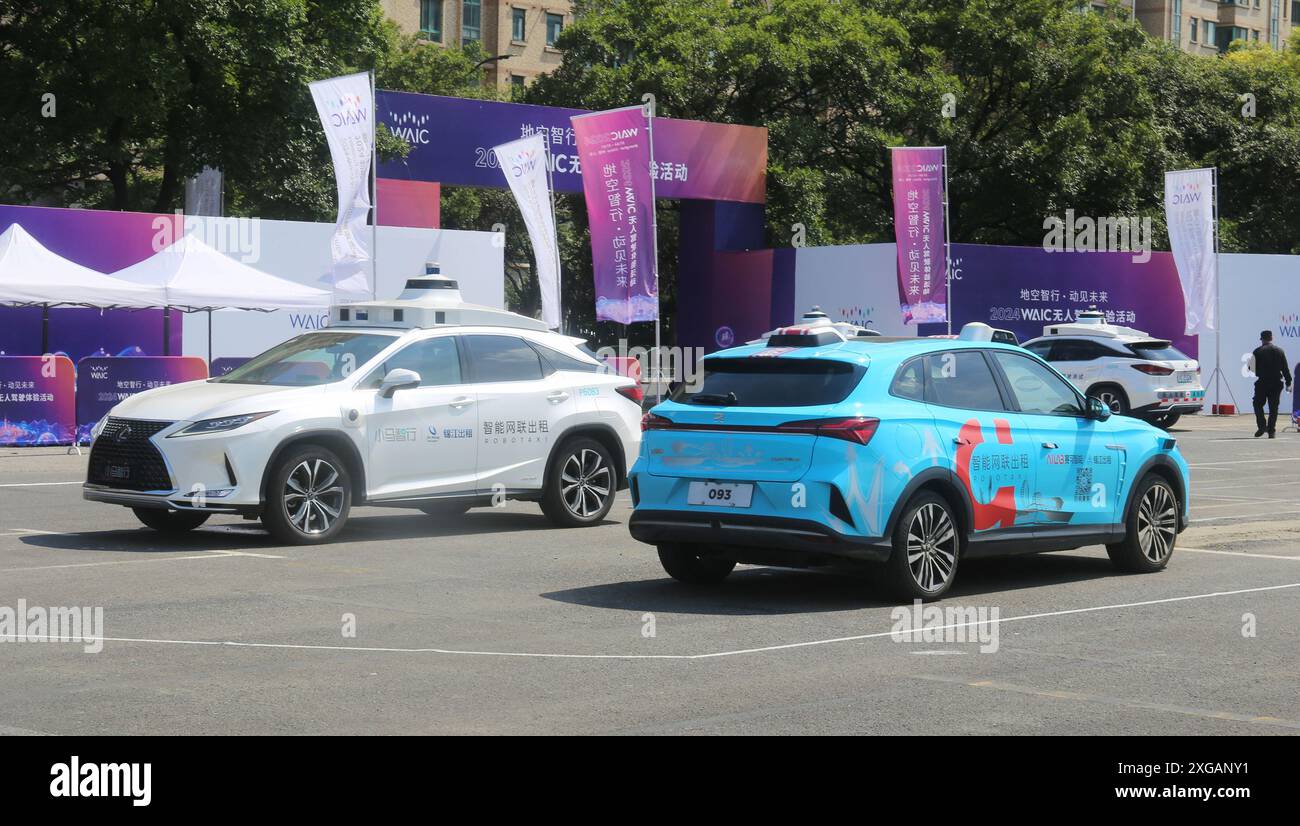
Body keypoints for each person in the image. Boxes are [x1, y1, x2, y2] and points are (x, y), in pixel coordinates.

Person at [1251, 330, 1292, 438]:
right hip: (1276, 383)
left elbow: (1251, 367)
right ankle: (1271, 431)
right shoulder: (1279, 351)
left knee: (1257, 404)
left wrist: (1259, 371)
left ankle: (1262, 426)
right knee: (1273, 408)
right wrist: (1288, 382)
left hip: (1263, 382)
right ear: (1271, 338)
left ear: (1262, 339)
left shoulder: (1257, 351)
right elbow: (1285, 369)